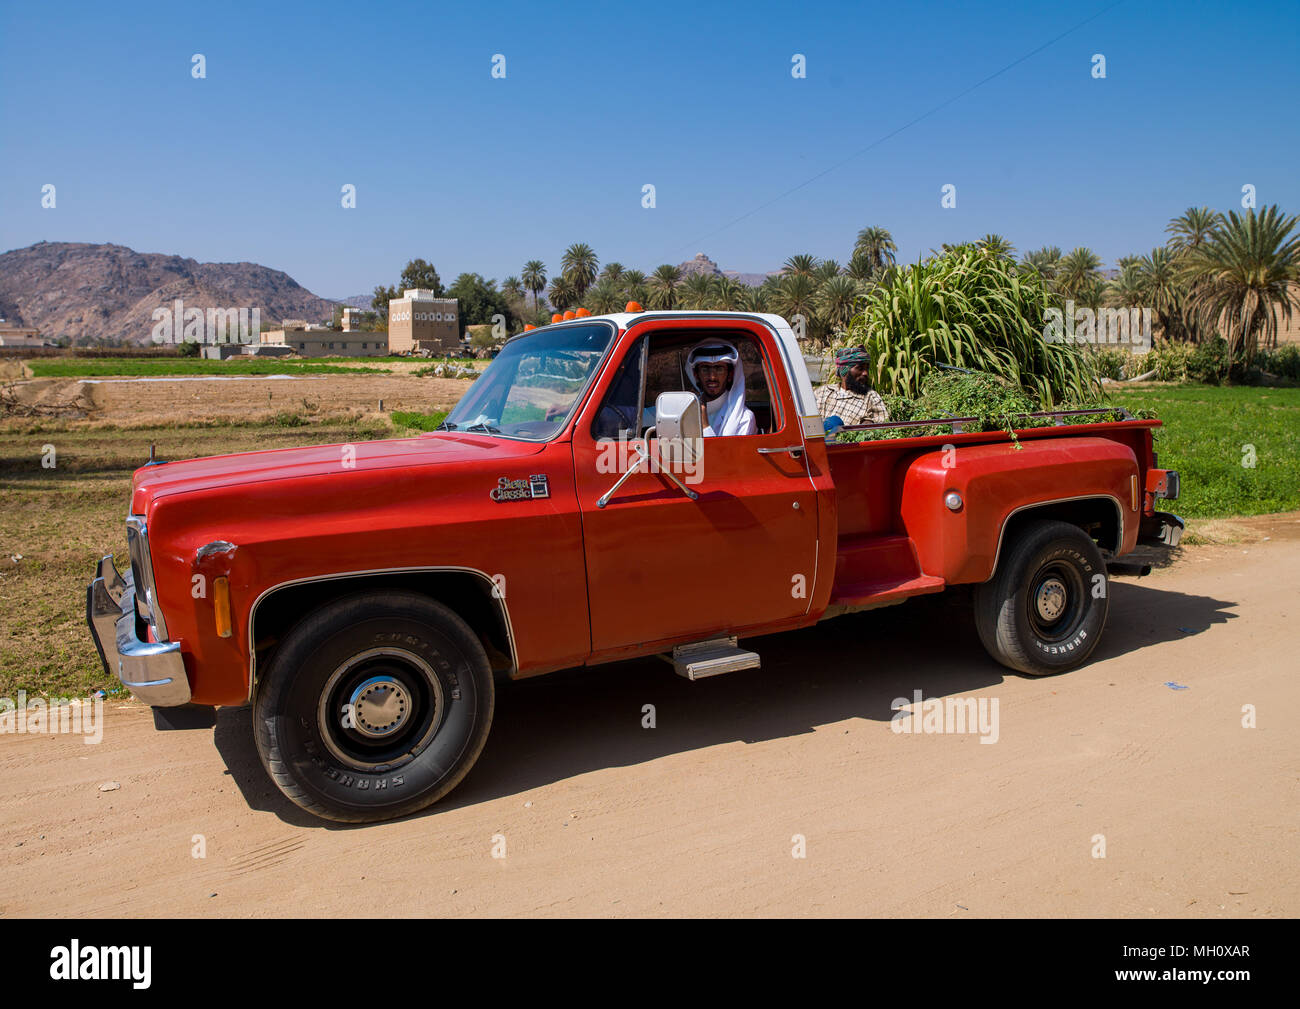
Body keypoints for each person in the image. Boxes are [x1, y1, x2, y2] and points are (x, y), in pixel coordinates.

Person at [686, 340, 757, 436]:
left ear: (730, 375)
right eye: (705, 369)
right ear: (696, 375)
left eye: (719, 369)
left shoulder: (744, 419)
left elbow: (728, 451)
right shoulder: (685, 413)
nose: (712, 377)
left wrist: (705, 425)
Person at [814, 345, 889, 426]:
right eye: (860, 368)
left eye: (867, 369)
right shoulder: (823, 392)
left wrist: (868, 423)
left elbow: (883, 422)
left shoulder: (871, 396)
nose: (865, 373)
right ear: (844, 371)